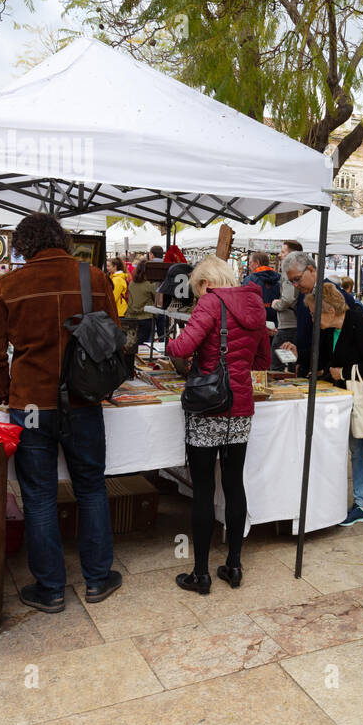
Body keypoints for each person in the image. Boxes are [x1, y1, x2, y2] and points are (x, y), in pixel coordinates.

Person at [0, 213, 122, 613]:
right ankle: (97, 579)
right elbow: (113, 337)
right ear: (62, 238)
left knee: (38, 497)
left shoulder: (10, 285)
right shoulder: (93, 277)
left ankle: (51, 588)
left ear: (23, 245)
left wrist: (9, 393)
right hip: (83, 402)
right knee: (91, 487)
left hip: (32, 406)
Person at [165, 256, 272, 594]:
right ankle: (234, 566)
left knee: (203, 490)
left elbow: (182, 348)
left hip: (208, 407)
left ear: (206, 283)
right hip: (239, 408)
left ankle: (200, 574)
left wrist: (172, 340)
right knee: (234, 483)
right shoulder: (255, 305)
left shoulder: (210, 302)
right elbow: (263, 360)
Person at [309, 283, 363, 535]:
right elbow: (332, 362)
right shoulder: (330, 332)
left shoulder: (358, 322)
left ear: (328, 310)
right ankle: (361, 505)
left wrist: (343, 372)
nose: (313, 319)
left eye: (315, 313)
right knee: (357, 452)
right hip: (354, 400)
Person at [277, 250, 363, 374]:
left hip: (326, 374)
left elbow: (336, 342)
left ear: (311, 270)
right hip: (310, 369)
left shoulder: (333, 294)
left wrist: (325, 370)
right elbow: (306, 331)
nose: (295, 285)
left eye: (297, 279)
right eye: (291, 281)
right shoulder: (305, 293)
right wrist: (300, 358)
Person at [270, 240, 303, 366]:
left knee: (277, 367)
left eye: (283, 252)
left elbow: (288, 298)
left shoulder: (289, 270)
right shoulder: (300, 269)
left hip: (288, 325)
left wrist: (276, 304)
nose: (280, 255)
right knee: (290, 364)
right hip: (295, 323)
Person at [124, 262, 159, 345]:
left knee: (132, 344)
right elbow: (158, 300)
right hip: (146, 317)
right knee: (143, 345)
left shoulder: (132, 283)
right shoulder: (150, 285)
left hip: (131, 317)